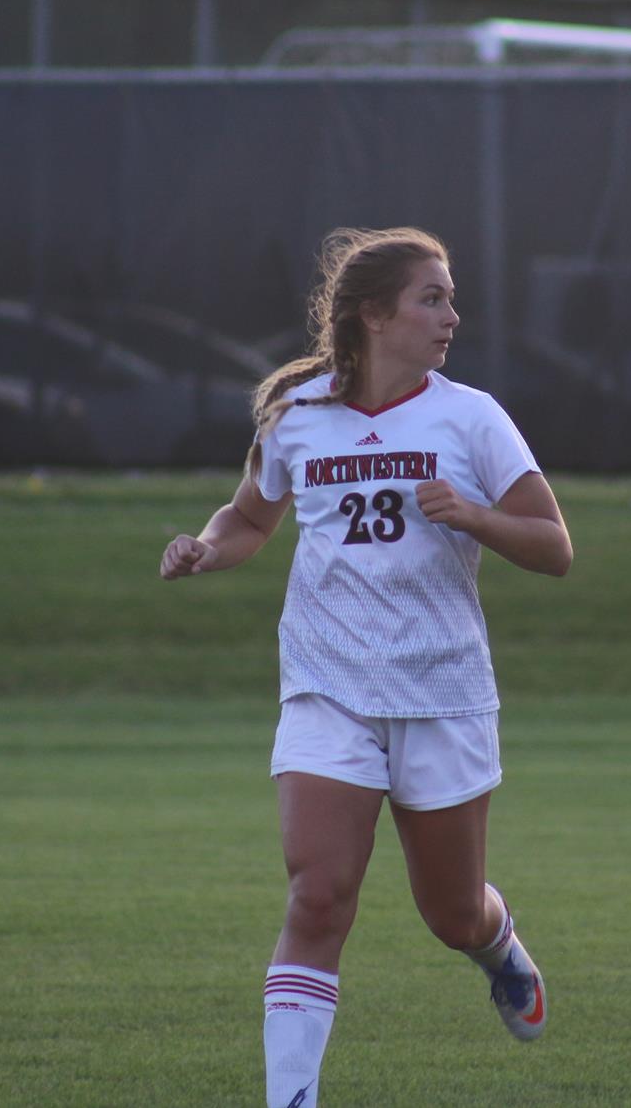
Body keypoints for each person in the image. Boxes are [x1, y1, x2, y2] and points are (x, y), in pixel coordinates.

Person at [159, 228, 571, 1107]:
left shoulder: (472, 417)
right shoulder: (296, 413)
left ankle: (499, 947)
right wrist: (204, 548)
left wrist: (474, 515)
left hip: (442, 691)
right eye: (433, 298)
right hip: (328, 684)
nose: (452, 316)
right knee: (318, 895)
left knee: (450, 914)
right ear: (375, 314)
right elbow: (249, 519)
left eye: (450, 298)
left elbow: (555, 548)